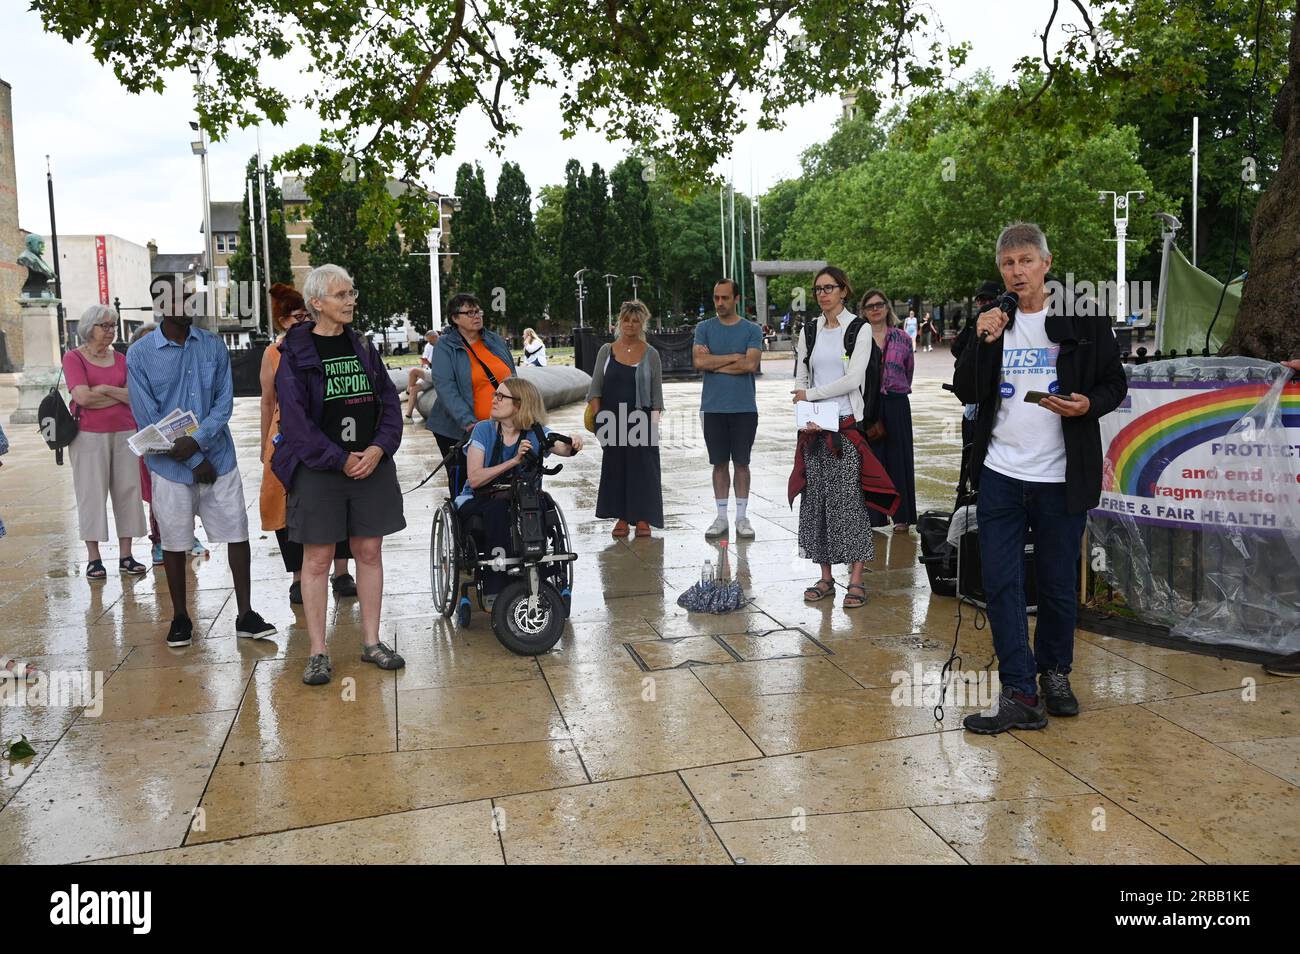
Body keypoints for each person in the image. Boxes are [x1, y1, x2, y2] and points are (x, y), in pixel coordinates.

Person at [954, 222, 1127, 734]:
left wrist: (1087, 405)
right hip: (1001, 474)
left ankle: (1054, 674)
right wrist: (982, 339)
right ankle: (1020, 691)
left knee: (1054, 586)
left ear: (1046, 264)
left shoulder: (1085, 319)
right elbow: (965, 388)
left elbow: (1114, 382)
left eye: (1026, 261)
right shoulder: (991, 319)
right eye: (1008, 264)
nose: (1017, 271)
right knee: (1002, 583)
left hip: (1060, 476)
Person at [273, 264, 406, 686]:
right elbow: (293, 423)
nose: (351, 301)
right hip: (319, 469)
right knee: (317, 559)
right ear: (316, 303)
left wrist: (378, 447)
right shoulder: (293, 354)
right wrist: (339, 458)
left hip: (370, 465)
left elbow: (388, 402)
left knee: (368, 552)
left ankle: (371, 642)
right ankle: (317, 651)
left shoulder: (363, 348)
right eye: (341, 295)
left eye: (352, 293)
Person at [127, 292, 275, 648]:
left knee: (237, 532)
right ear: (162, 307)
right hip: (170, 466)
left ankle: (245, 614)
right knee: (175, 541)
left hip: (218, 458)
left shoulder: (212, 346)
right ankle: (181, 617)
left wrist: (199, 443)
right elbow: (148, 418)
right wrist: (194, 460)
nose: (190, 309)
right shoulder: (140, 355)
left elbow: (224, 403)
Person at [790, 267, 899, 609]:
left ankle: (856, 578)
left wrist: (811, 394)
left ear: (844, 291)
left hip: (845, 425)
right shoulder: (810, 330)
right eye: (818, 289)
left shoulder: (859, 329)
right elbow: (802, 371)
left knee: (849, 503)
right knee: (817, 502)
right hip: (813, 428)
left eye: (829, 288)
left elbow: (853, 379)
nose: (823, 294)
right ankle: (826, 577)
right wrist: (804, 406)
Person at [259, 282, 357, 606]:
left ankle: (340, 571)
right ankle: (298, 578)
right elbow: (267, 400)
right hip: (284, 433)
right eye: (291, 318)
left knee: (338, 500)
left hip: (326, 430)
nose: (298, 323)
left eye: (303, 316)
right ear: (281, 321)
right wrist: (264, 447)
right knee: (284, 506)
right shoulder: (272, 353)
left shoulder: (325, 344)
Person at [457, 377, 582, 601]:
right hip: (483, 497)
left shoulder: (536, 432)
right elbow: (475, 479)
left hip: (522, 498)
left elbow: (563, 447)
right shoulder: (483, 430)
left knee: (540, 505)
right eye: (495, 394)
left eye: (500, 396)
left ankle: (540, 577)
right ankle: (496, 586)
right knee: (498, 511)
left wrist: (574, 442)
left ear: (519, 404)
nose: (493, 400)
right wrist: (514, 461)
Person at [63, 305, 148, 580]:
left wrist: (104, 390)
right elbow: (83, 399)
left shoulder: (122, 359)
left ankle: (126, 555)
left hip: (125, 431)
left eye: (113, 326)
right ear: (90, 328)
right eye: (105, 326)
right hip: (87, 434)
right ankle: (94, 558)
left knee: (128, 492)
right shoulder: (74, 358)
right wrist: (118, 394)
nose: (111, 331)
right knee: (91, 493)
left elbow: (135, 396)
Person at [692, 278, 763, 539]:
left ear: (736, 299)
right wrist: (734, 356)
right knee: (719, 463)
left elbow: (750, 366)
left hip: (744, 407)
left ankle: (742, 517)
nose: (719, 303)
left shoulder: (752, 330)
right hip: (713, 407)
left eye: (724, 297)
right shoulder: (704, 328)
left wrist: (715, 363)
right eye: (716, 297)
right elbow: (698, 361)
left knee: (742, 463)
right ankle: (721, 517)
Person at [587, 300, 664, 537]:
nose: (631, 324)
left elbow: (656, 395)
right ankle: (621, 517)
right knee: (616, 470)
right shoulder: (606, 351)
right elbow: (595, 389)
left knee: (644, 471)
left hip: (641, 421)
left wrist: (652, 425)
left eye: (636, 320)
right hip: (611, 420)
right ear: (619, 321)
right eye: (627, 319)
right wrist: (600, 421)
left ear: (642, 323)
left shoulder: (651, 354)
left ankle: (643, 518)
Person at [426, 293, 514, 496]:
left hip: (501, 426)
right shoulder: (445, 346)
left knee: (504, 481)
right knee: (468, 483)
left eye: (478, 311)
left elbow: (513, 379)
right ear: (455, 318)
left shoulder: (495, 340)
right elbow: (446, 388)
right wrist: (470, 423)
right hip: (460, 430)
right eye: (470, 312)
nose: (477, 316)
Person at [859, 290, 918, 534]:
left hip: (896, 402)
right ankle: (875, 516)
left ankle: (901, 516)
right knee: (873, 460)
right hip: (869, 404)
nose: (875, 309)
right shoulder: (857, 339)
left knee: (899, 458)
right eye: (870, 306)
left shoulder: (902, 338)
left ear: (887, 308)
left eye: (879, 304)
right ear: (863, 311)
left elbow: (908, 370)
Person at [404, 330, 440, 422]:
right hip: (431, 372)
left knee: (413, 371)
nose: (429, 343)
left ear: (435, 337)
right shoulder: (431, 346)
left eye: (430, 341)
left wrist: (429, 365)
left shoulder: (444, 346)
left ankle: (406, 393)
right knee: (414, 389)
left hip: (438, 375)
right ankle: (408, 417)